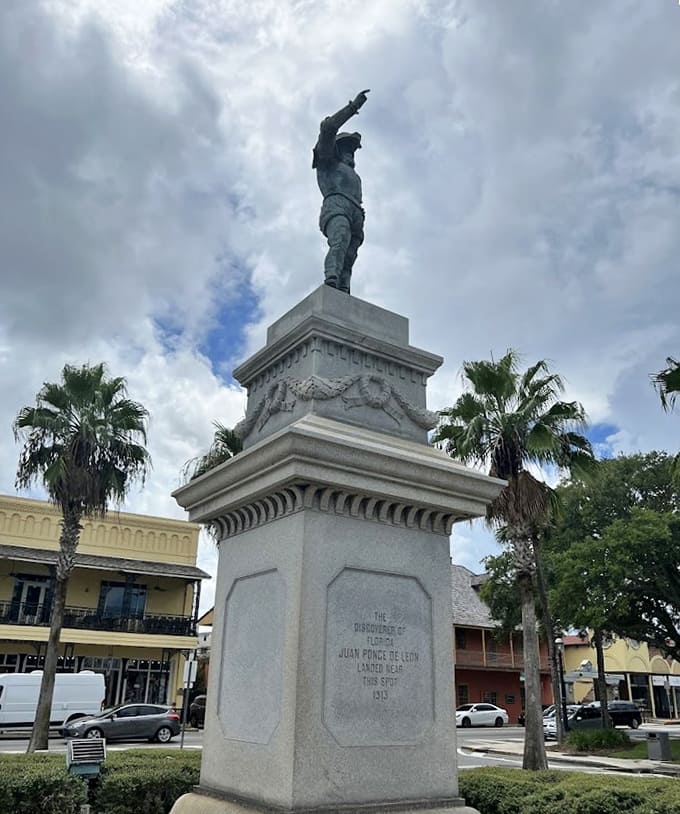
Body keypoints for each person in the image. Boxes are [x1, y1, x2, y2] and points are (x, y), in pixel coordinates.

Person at [313, 90, 370, 294]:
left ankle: (343, 287)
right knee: (340, 240)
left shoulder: (354, 175)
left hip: (356, 211)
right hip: (336, 205)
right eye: (346, 147)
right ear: (337, 148)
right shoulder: (327, 162)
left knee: (350, 255)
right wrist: (353, 107)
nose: (350, 152)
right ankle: (332, 278)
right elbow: (328, 127)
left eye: (353, 149)